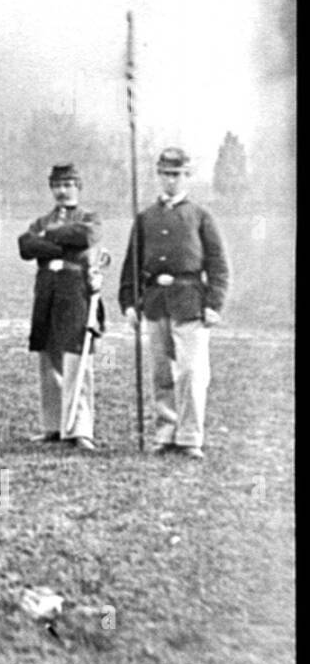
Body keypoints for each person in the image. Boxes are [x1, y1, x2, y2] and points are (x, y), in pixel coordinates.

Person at [118, 147, 229, 459]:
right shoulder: (145, 218)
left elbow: (219, 265)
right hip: (154, 302)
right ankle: (165, 433)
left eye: (177, 175)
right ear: (158, 176)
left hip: (191, 301)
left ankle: (190, 436)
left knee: (192, 372)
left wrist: (214, 304)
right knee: (161, 372)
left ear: (187, 177)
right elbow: (132, 264)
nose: (171, 181)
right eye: (166, 175)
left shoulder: (200, 217)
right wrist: (129, 301)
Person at [17, 163, 103, 451]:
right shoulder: (42, 220)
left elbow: (84, 237)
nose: (62, 191)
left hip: (74, 288)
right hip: (47, 288)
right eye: (57, 185)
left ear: (78, 186)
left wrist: (48, 238)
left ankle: (79, 428)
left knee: (75, 356)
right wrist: (57, 242)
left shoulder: (89, 218)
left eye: (68, 185)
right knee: (48, 355)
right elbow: (25, 246)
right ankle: (53, 425)